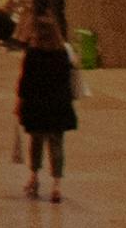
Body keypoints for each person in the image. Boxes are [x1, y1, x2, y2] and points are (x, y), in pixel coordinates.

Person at [17, 11, 81, 200]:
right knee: (56, 145)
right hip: (58, 106)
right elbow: (69, 81)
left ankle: (34, 177)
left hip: (37, 106)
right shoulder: (62, 54)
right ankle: (57, 185)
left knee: (36, 143)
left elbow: (25, 83)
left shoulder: (32, 54)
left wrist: (20, 103)